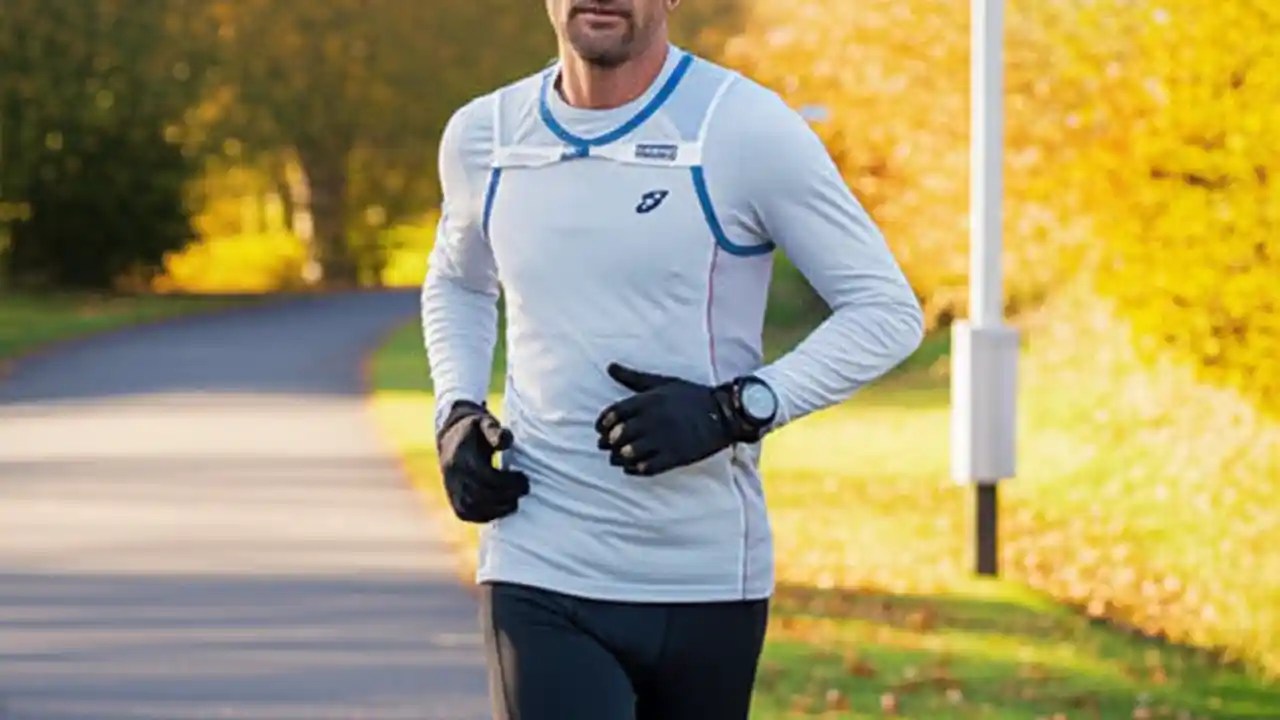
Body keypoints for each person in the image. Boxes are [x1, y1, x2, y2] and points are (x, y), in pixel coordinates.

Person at [421, 0, 924, 717]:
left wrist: (737, 409)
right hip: (540, 561)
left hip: (705, 577)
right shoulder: (484, 135)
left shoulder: (744, 127)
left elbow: (886, 311)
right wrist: (457, 410)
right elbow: (460, 279)